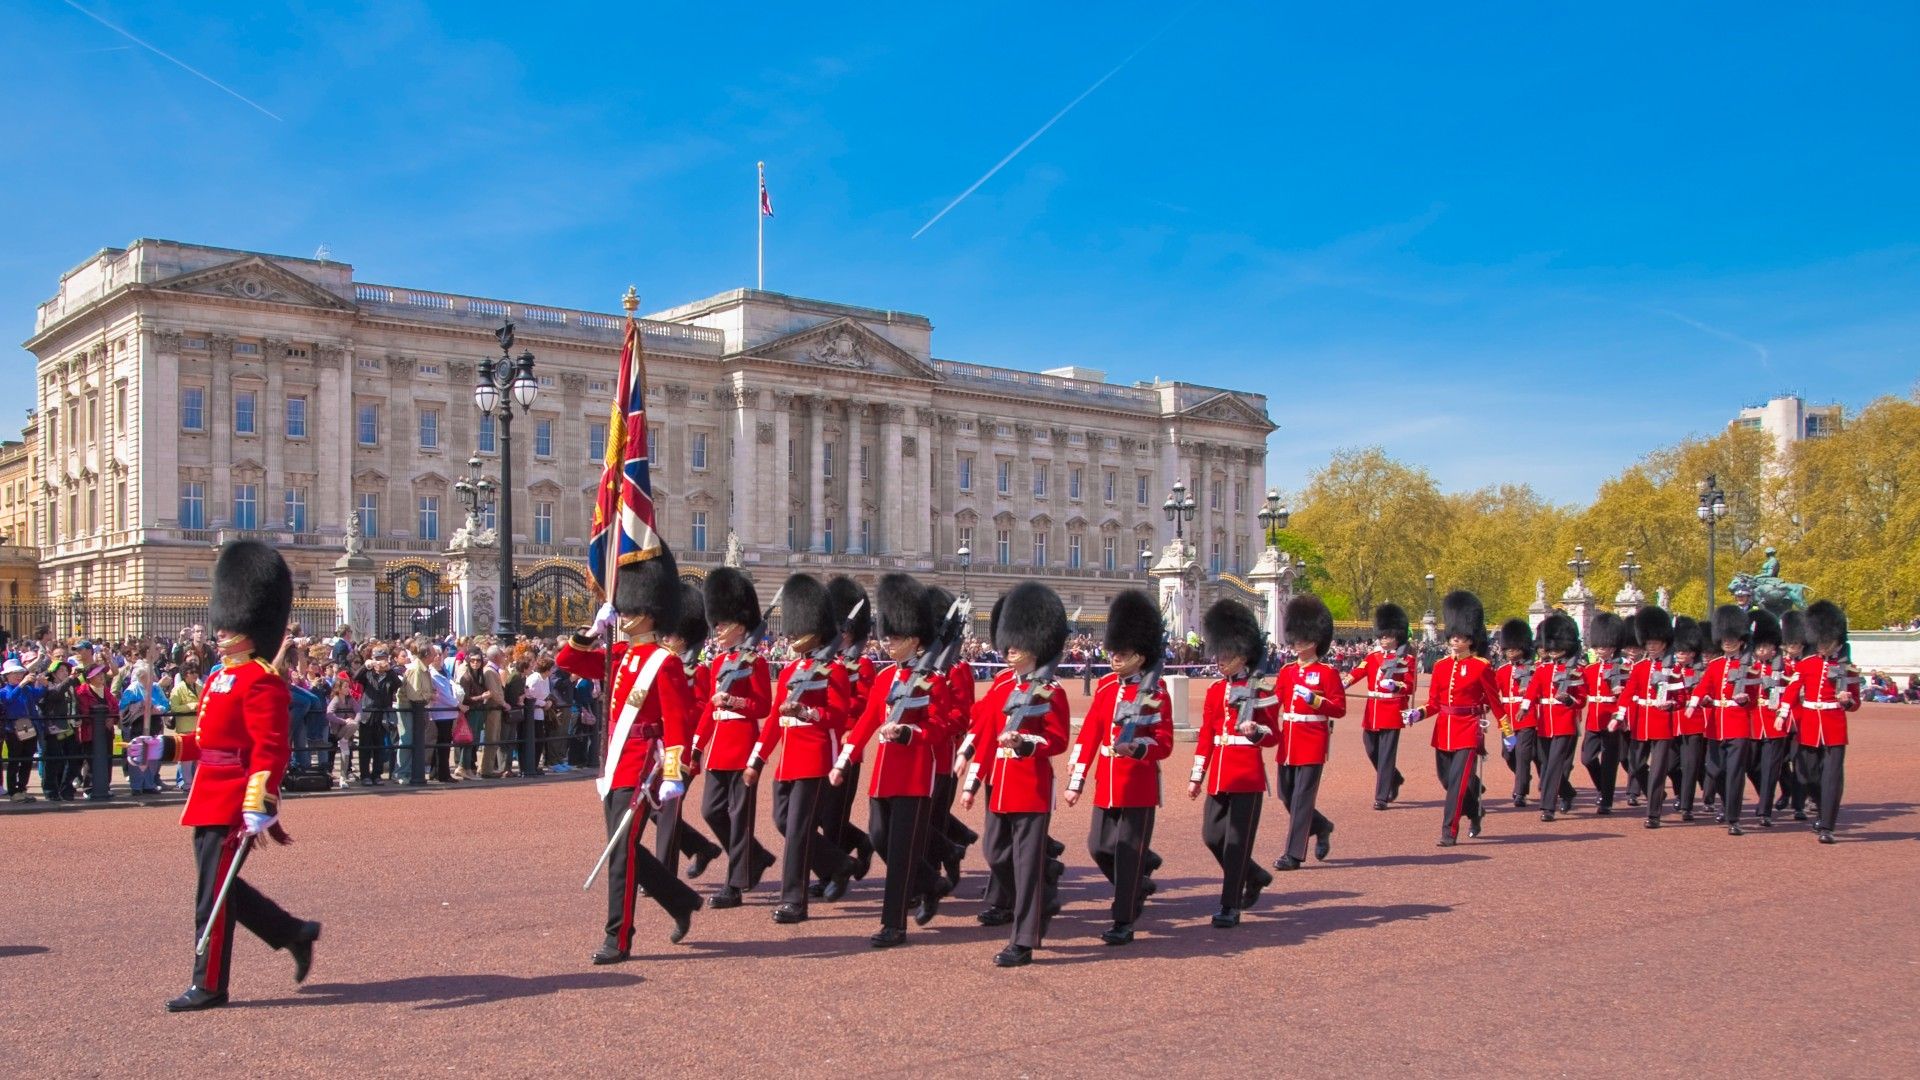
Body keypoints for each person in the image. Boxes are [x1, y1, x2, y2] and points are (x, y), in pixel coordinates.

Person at [124, 540, 322, 1012]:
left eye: (229, 626)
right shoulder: (218, 677)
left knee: (210, 894)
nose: (220, 633)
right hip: (206, 793)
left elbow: (271, 748)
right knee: (219, 887)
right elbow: (207, 742)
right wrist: (163, 745)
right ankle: (291, 932)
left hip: (236, 799)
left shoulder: (261, 681)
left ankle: (209, 984)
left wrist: (261, 799)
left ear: (250, 630)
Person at [552, 546, 700, 963]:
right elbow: (568, 661)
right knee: (625, 848)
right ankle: (680, 900)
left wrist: (673, 772)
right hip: (615, 761)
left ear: (650, 611)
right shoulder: (621, 655)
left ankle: (617, 937)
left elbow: (678, 723)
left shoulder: (664, 662)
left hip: (643, 767)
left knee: (621, 852)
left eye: (633, 606)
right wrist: (591, 631)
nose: (626, 611)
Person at [832, 573, 956, 947]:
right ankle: (931, 882)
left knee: (901, 852)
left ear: (915, 639)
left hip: (915, 776)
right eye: (885, 636)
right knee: (881, 838)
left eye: (895, 637)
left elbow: (943, 725)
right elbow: (868, 721)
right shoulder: (886, 679)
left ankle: (893, 924)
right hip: (883, 776)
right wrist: (845, 760)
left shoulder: (932, 680)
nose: (887, 643)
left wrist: (911, 734)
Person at [959, 581, 1070, 967]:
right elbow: (985, 732)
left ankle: (1022, 940)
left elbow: (1056, 740)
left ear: (1035, 645)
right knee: (995, 852)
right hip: (999, 783)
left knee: (1023, 864)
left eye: (1017, 644)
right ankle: (1045, 887)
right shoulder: (1004, 686)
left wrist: (1026, 743)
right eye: (1008, 643)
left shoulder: (1051, 691)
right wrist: (972, 777)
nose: (1009, 650)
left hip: (1031, 785)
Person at [745, 574, 856, 924]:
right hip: (787, 759)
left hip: (815, 755)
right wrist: (757, 759)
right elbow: (777, 720)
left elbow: (838, 716)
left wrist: (807, 712)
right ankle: (839, 863)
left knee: (796, 831)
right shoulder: (792, 668)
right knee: (782, 822)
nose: (791, 636)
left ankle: (795, 899)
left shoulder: (833, 670)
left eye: (797, 629)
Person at [1065, 589, 1171, 946]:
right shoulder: (1107, 688)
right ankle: (1137, 884)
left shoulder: (1156, 694)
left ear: (1141, 656)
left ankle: (1123, 920)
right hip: (1106, 783)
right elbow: (1090, 736)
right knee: (1099, 847)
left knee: (1126, 855)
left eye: (1122, 653)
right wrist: (1077, 779)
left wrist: (1138, 747)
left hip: (1138, 784)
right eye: (1114, 651)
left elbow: (1164, 742)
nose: (1114, 658)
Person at [1189, 598, 1280, 927]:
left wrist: (1256, 731)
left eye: (1228, 654)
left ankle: (1230, 906)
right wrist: (1197, 776)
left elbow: (1274, 737)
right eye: (1220, 653)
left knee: (1237, 843)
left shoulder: (1260, 689)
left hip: (1246, 775)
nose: (1221, 660)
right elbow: (1207, 736)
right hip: (1219, 776)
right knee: (1213, 837)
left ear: (1244, 655)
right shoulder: (1215, 691)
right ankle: (1253, 874)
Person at [692, 567, 777, 908]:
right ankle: (754, 857)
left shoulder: (754, 662)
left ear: (741, 626)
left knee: (740, 818)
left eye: (724, 624)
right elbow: (708, 713)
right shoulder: (717, 664)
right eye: (717, 624)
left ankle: (736, 883)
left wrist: (734, 701)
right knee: (712, 811)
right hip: (719, 748)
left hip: (742, 744)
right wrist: (697, 748)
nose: (718, 629)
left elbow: (762, 707)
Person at [1404, 591, 1501, 846]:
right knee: (1447, 781)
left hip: (1468, 729)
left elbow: (1494, 700)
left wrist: (1507, 729)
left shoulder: (1481, 666)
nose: (1454, 641)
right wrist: (1418, 713)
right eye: (1453, 637)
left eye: (1459, 638)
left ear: (1470, 640)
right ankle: (1475, 810)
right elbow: (1436, 703)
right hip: (1443, 730)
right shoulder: (1441, 666)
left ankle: (1449, 831)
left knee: (1457, 785)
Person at [653, 584, 723, 880]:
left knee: (666, 809)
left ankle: (663, 874)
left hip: (681, 749)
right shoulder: (662, 665)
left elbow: (701, 710)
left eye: (670, 634)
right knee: (653, 805)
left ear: (682, 639)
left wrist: (691, 743)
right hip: (657, 746)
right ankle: (701, 847)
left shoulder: (699, 670)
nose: (665, 638)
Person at [1270, 594, 1344, 871]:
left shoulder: (1327, 673)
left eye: (1300, 640)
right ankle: (1321, 825)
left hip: (1312, 740)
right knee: (1286, 795)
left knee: (1302, 799)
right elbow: (1274, 702)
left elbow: (1338, 708)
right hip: (1288, 739)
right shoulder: (1287, 672)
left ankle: (1293, 854)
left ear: (1313, 642)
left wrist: (1316, 701)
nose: (1294, 645)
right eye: (1294, 639)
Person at [819, 576, 877, 890]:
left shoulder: (862, 665)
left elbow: (866, 704)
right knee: (820, 812)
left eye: (843, 630)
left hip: (845, 744)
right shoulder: (824, 662)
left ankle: (832, 875)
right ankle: (860, 843)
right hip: (822, 741)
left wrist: (849, 732)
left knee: (834, 814)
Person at [1784, 600, 1856, 844]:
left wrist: (1847, 700)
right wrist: (1784, 711)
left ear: (1838, 641)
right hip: (1810, 725)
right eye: (1821, 642)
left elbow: (1855, 703)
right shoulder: (1807, 663)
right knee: (1809, 776)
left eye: (1829, 642)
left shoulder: (1848, 669)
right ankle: (1818, 802)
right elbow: (1793, 688)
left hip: (1834, 725)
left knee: (1832, 778)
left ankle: (1827, 826)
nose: (1824, 646)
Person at [1620, 607, 1684, 829]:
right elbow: (1629, 692)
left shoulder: (1673, 668)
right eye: (1648, 643)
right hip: (1641, 723)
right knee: (1636, 766)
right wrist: (1619, 714)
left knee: (1657, 770)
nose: (1651, 646)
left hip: (1662, 723)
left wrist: (1672, 704)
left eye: (1655, 643)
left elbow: (1681, 697)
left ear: (1664, 644)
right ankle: (1656, 796)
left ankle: (1653, 813)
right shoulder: (1640, 667)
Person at [1346, 603, 1413, 811]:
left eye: (1388, 636)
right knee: (1371, 748)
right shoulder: (1372, 657)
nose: (1384, 639)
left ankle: (1382, 796)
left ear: (1397, 637)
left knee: (1386, 754)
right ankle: (1394, 777)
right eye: (1382, 636)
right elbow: (1358, 672)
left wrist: (1395, 685)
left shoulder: (1406, 659)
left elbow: (1410, 685)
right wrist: (1342, 684)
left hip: (1393, 709)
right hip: (1373, 709)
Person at [1521, 613, 1585, 822]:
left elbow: (1581, 698)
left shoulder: (1575, 671)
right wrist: (1525, 706)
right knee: (1544, 763)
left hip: (1565, 722)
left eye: (1558, 647)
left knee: (1555, 764)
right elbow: (1532, 690)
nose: (1554, 651)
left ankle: (1547, 806)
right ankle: (1567, 792)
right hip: (1544, 722)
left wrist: (1569, 701)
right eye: (1552, 647)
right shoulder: (1543, 669)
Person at [1699, 605, 1757, 834]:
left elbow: (1755, 698)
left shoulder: (1749, 668)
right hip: (1716, 724)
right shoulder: (1715, 666)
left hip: (1738, 724)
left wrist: (1745, 700)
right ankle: (1726, 803)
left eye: (1732, 638)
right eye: (1724, 638)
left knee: (1734, 771)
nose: (1728, 642)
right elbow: (1704, 689)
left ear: (1741, 640)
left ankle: (1734, 818)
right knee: (1715, 770)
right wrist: (1701, 699)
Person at [1578, 612, 1630, 814]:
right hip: (1594, 719)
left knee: (1609, 762)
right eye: (1598, 645)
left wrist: (1621, 715)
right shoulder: (1590, 669)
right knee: (1587, 759)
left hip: (1612, 719)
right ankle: (1603, 789)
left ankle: (1606, 800)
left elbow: (1628, 695)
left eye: (1605, 646)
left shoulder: (1624, 669)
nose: (1601, 649)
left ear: (1613, 646)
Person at [1493, 619, 1540, 808]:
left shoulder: (1533, 669)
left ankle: (1520, 792)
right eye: (1508, 650)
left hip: (1527, 718)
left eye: (1514, 649)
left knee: (1522, 754)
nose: (1510, 653)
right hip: (1507, 720)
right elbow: (1492, 690)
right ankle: (1523, 775)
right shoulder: (1502, 670)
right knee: (1508, 754)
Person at [1666, 616, 1709, 819]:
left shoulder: (1701, 672)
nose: (1680, 655)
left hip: (1695, 722)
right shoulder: (1671, 671)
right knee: (1671, 765)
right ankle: (1680, 794)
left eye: (1683, 652)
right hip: (1674, 722)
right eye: (1678, 651)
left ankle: (1686, 806)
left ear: (1692, 653)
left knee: (1690, 766)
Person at [353, 648, 403, 787]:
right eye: (378, 658)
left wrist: (389, 670)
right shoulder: (367, 674)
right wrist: (365, 666)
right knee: (365, 747)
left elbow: (398, 685)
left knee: (380, 747)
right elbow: (355, 677)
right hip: (368, 714)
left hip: (382, 715)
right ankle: (365, 775)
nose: (381, 661)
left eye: (383, 658)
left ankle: (377, 774)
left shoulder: (389, 675)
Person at [120, 662, 171, 795]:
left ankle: (149, 784)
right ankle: (136, 786)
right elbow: (123, 708)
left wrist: (158, 709)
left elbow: (165, 703)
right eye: (147, 676)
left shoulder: (155, 688)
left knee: (152, 756)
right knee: (138, 756)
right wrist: (141, 707)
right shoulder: (132, 689)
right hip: (137, 727)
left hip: (154, 725)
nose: (151, 679)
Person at [1, 660, 46, 803]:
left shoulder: (27, 689)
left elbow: (38, 694)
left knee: (27, 760)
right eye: (15, 673)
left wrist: (45, 680)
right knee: (15, 760)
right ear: (7, 676)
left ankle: (22, 788)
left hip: (29, 728)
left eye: (20, 673)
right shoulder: (3, 691)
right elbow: (8, 700)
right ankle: (13, 791)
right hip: (13, 730)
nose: (19, 676)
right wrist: (20, 685)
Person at [168, 664, 203, 793]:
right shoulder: (177, 689)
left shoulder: (200, 687)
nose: (195, 674)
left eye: (196, 671)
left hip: (199, 728)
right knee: (186, 759)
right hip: (185, 728)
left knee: (199, 758)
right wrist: (190, 706)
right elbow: (174, 708)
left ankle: (198, 782)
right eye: (191, 672)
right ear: (184, 675)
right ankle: (186, 783)